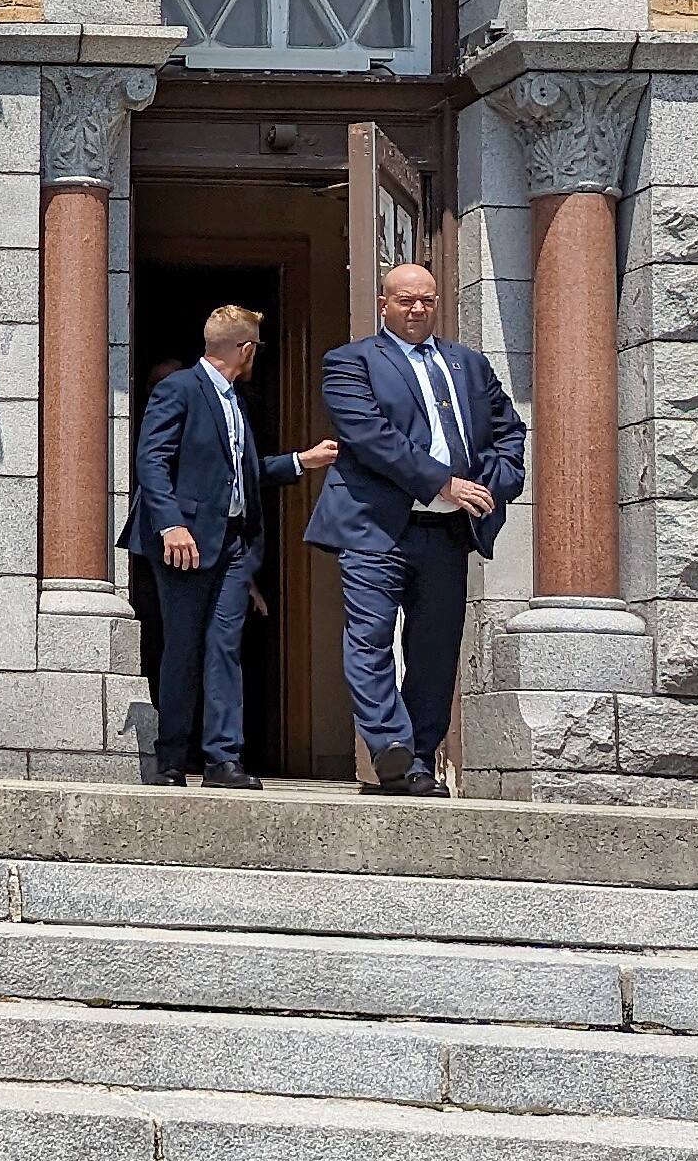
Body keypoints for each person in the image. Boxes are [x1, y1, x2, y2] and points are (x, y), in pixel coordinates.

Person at [306, 261, 528, 796]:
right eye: (406, 300)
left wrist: (490, 486)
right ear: (384, 304)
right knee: (371, 640)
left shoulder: (469, 365)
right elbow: (371, 437)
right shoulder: (350, 361)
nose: (418, 310)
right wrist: (443, 483)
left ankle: (420, 760)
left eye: (427, 300)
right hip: (375, 528)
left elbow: (509, 432)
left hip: (447, 534)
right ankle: (389, 748)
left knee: (435, 650)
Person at [128, 304, 341, 789]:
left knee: (225, 648)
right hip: (183, 544)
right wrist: (170, 526)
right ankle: (171, 760)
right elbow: (152, 460)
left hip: (232, 547)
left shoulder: (237, 402)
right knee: (183, 648)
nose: (256, 357)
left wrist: (300, 462)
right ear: (245, 349)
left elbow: (241, 477)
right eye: (256, 348)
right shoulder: (179, 388)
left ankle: (224, 760)